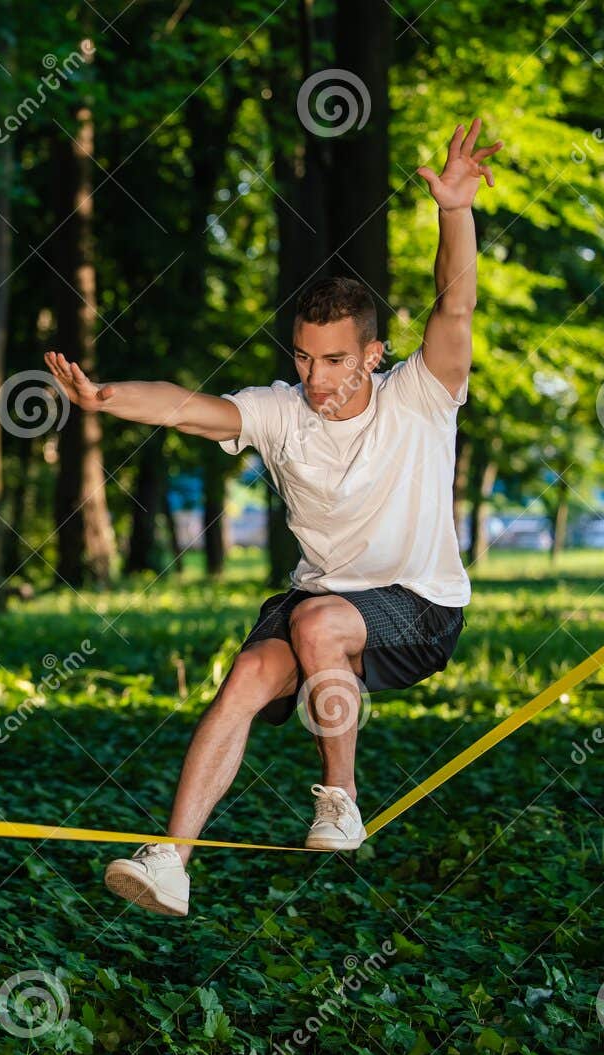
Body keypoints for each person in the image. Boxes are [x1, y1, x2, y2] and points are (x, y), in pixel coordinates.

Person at [42, 118, 503, 916]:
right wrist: (104, 397)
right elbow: (189, 409)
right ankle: (172, 862)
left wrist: (454, 211)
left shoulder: (421, 395)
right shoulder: (279, 411)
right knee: (250, 675)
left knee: (321, 620)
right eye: (302, 357)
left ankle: (340, 801)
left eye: (333, 360)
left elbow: (454, 303)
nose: (314, 377)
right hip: (325, 602)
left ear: (373, 354)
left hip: (422, 606)